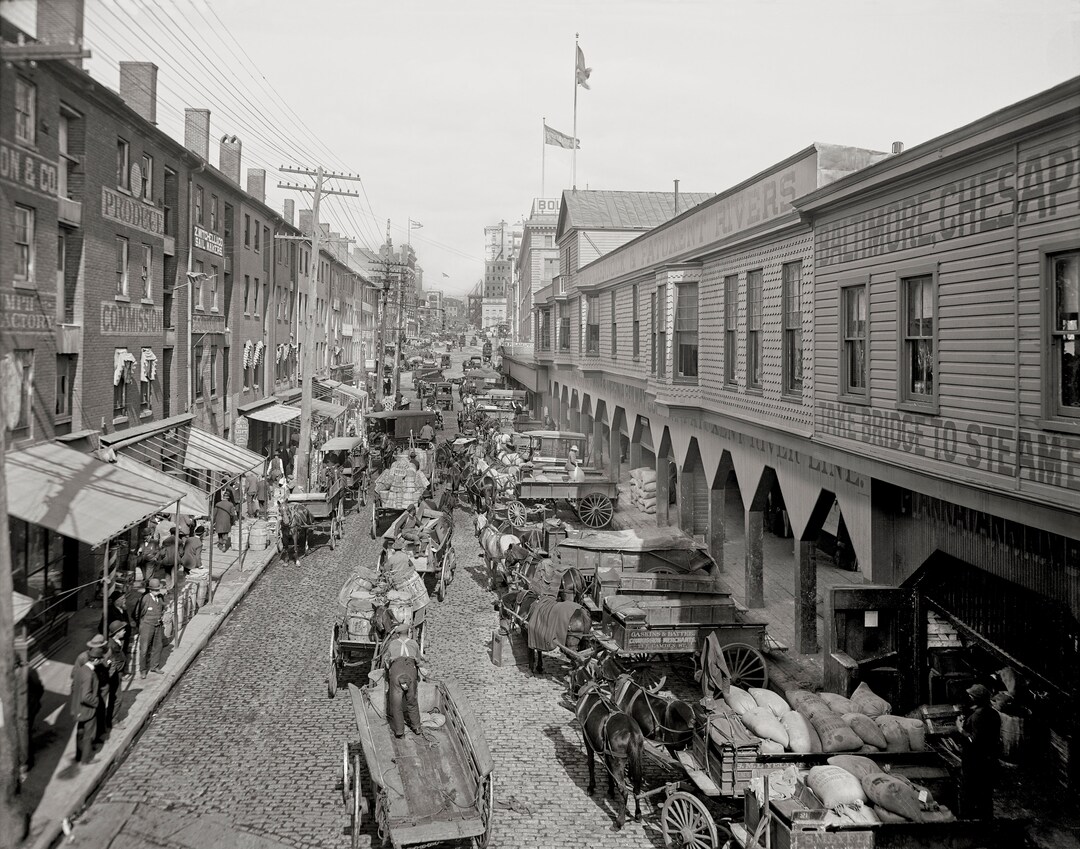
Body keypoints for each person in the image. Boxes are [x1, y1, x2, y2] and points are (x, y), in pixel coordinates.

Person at [957, 683, 1001, 820]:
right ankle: (987, 820)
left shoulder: (977, 716)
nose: (969, 697)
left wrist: (961, 729)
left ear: (975, 699)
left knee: (969, 792)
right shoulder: (994, 714)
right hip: (989, 760)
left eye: (971, 696)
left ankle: (969, 820)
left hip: (974, 761)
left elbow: (974, 740)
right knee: (986, 794)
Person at [382, 630, 426, 738]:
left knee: (396, 704)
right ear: (408, 633)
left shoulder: (392, 644)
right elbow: (419, 661)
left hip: (396, 673)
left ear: (398, 634)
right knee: (412, 701)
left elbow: (386, 662)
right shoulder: (414, 643)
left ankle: (399, 732)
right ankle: (417, 727)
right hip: (410, 672)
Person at [70, 647, 101, 763]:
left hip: (78, 708)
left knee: (80, 731)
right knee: (88, 734)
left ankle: (79, 755)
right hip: (87, 709)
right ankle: (86, 758)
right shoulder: (89, 674)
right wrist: (96, 702)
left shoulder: (81, 669)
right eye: (100, 659)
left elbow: (74, 687)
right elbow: (86, 696)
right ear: (96, 660)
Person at [137, 578, 168, 678]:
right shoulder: (145, 599)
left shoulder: (160, 597)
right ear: (150, 590)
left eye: (158, 589)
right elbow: (139, 613)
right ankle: (143, 670)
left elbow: (163, 607)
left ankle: (154, 666)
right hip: (147, 626)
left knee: (158, 646)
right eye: (155, 590)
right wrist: (141, 625)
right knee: (144, 649)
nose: (157, 591)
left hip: (157, 625)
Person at [102, 620, 127, 732]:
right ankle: (113, 721)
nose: (124, 631)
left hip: (117, 673)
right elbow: (112, 661)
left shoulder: (116, 641)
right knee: (117, 698)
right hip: (114, 674)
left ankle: (110, 719)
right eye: (122, 630)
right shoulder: (111, 645)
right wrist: (119, 669)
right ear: (117, 633)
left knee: (114, 697)